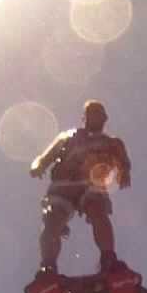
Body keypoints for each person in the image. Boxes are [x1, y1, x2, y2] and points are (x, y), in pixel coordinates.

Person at [30, 100, 131, 275]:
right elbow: (47, 155)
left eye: (98, 114)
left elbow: (123, 160)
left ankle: (108, 257)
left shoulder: (111, 142)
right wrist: (38, 166)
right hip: (64, 184)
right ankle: (48, 265)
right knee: (52, 219)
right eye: (91, 113)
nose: (95, 118)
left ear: (104, 118)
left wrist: (124, 171)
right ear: (84, 117)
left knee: (98, 210)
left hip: (91, 184)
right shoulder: (68, 137)